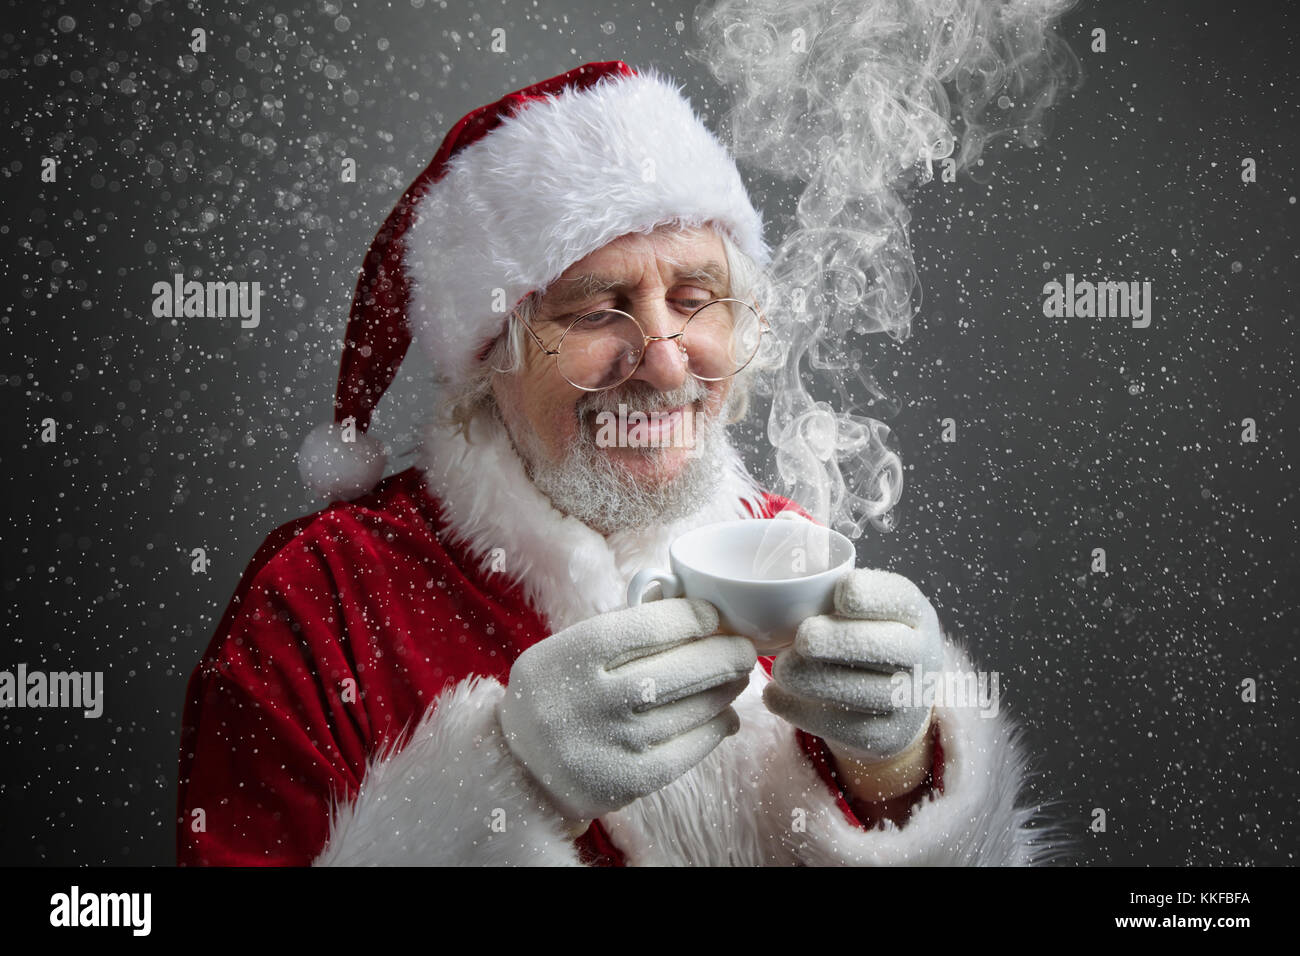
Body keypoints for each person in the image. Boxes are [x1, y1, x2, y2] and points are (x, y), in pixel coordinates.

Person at [176, 61, 1063, 866]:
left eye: (693, 299)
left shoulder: (787, 558)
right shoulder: (324, 598)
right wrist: (509, 786)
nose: (667, 361)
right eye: (598, 310)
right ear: (494, 355)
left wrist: (899, 767)